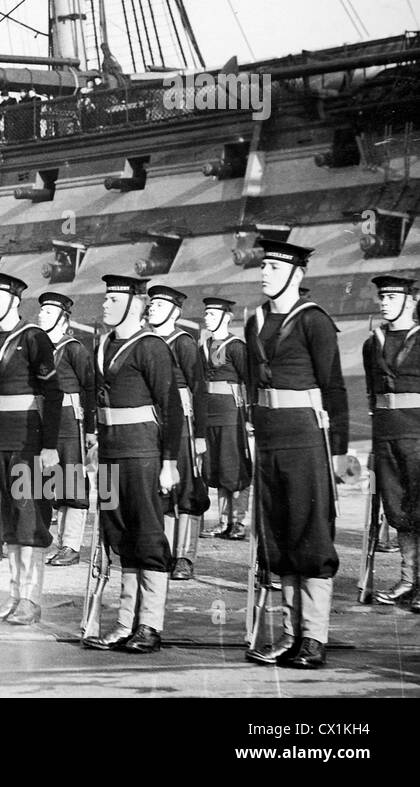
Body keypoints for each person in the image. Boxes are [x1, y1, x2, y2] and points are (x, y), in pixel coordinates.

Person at [243, 241, 349, 669]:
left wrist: (338, 452)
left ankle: (314, 638)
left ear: (297, 274)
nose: (264, 273)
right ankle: (289, 633)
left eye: (272, 266)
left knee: (309, 533)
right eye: (263, 265)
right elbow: (252, 385)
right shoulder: (255, 321)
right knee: (278, 536)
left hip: (306, 439)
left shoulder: (315, 321)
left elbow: (335, 388)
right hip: (268, 440)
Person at [83, 275, 181, 655]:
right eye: (105, 298)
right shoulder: (104, 344)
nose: (105, 304)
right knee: (118, 534)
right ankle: (125, 623)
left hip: (143, 453)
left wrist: (169, 462)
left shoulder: (152, 347)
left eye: (112, 299)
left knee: (147, 536)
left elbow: (172, 408)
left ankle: (149, 624)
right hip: (109, 454)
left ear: (134, 305)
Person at [0, 273, 63, 625]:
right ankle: (13, 596)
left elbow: (53, 393)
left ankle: (31, 598)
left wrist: (49, 447)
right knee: (5, 517)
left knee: (30, 518)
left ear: (15, 301)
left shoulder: (34, 338)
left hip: (29, 440)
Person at [145, 284, 210, 581]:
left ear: (175, 311)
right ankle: (166, 551)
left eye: (159, 305)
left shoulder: (183, 342)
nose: (152, 309)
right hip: (152, 422)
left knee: (186, 490)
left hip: (182, 423)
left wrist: (200, 436)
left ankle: (185, 556)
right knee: (161, 489)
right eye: (151, 304)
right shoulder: (144, 341)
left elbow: (199, 388)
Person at [363, 275, 420, 612]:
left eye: (392, 296)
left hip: (418, 433)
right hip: (386, 435)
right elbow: (373, 394)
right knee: (399, 510)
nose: (384, 302)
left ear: (411, 301)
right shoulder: (373, 343)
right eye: (381, 297)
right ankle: (409, 579)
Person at [38, 292, 97, 567]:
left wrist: (91, 430)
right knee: (46, 482)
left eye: (49, 312)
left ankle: (71, 545)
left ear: (64, 319)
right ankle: (55, 540)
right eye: (42, 311)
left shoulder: (75, 349)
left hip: (71, 421)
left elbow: (90, 387)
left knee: (72, 482)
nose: (41, 315)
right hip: (44, 420)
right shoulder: (38, 348)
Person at [201, 297, 252, 541]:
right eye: (206, 314)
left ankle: (238, 521)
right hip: (210, 413)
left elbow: (248, 381)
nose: (207, 318)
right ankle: (222, 521)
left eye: (212, 314)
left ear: (226, 317)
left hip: (232, 413)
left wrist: (249, 417)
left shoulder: (236, 346)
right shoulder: (204, 345)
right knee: (217, 466)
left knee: (234, 467)